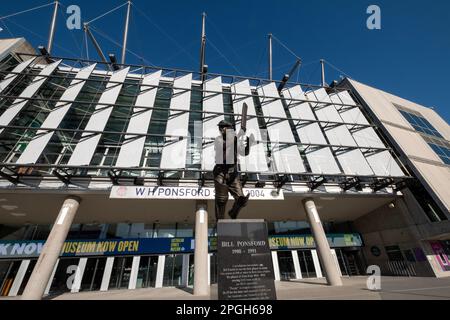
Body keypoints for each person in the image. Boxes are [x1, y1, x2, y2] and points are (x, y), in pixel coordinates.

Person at [213, 119, 253, 220]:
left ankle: (233, 213)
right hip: (220, 172)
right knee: (221, 200)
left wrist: (249, 144)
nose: (222, 129)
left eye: (225, 127)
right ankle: (220, 222)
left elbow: (244, 153)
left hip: (232, 174)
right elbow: (224, 147)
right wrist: (238, 136)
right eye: (221, 128)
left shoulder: (235, 140)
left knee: (242, 199)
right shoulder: (218, 140)